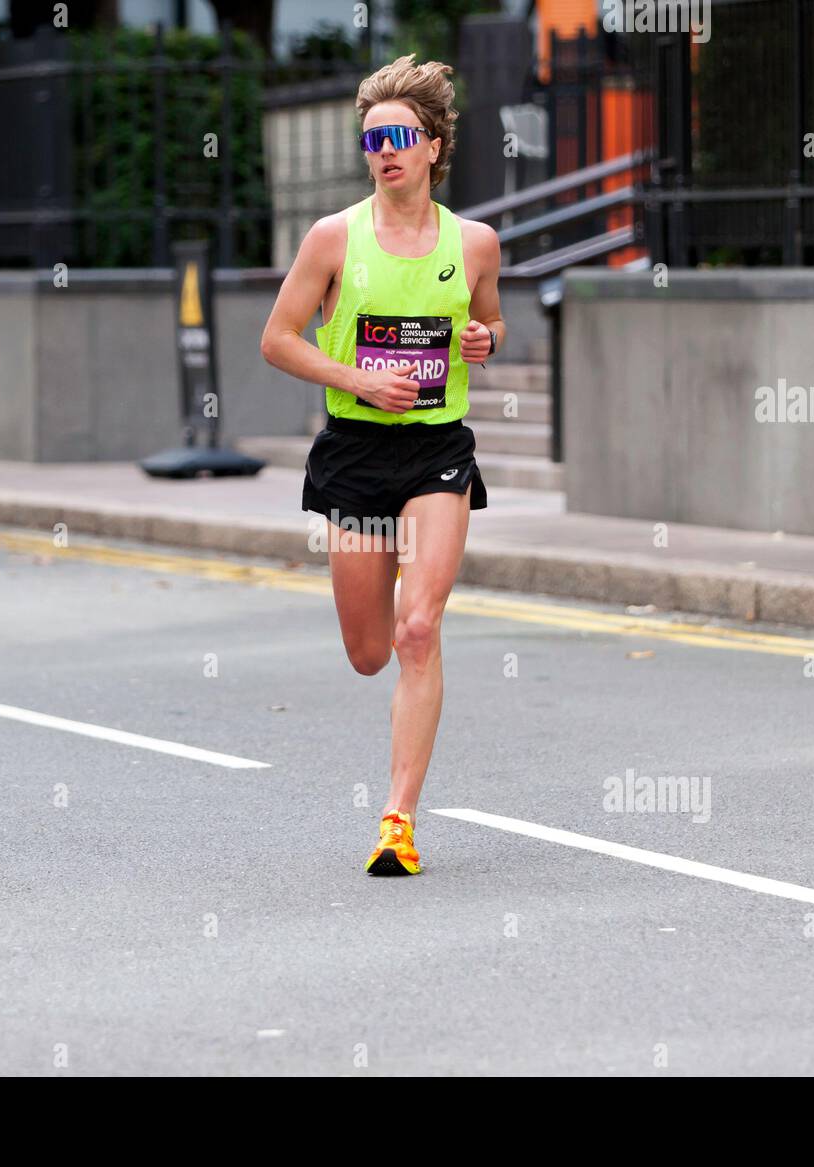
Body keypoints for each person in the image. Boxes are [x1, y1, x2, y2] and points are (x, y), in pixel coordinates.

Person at [260, 54, 505, 875]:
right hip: (357, 453)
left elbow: (491, 324)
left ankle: (398, 820)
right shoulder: (334, 237)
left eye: (399, 137)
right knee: (369, 650)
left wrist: (485, 338)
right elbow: (277, 339)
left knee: (418, 629)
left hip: (437, 451)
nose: (385, 151)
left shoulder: (475, 243)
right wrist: (358, 378)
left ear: (434, 146)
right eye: (372, 140)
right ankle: (387, 594)